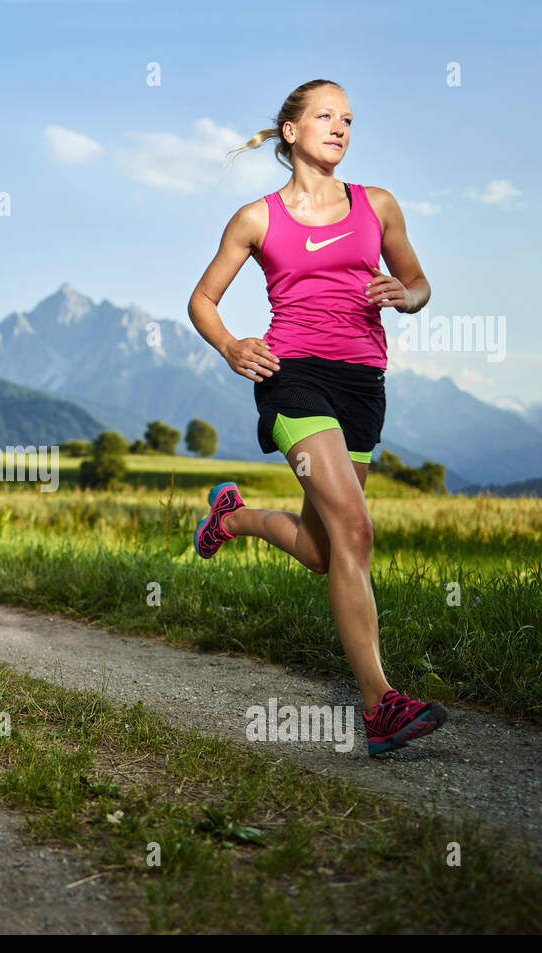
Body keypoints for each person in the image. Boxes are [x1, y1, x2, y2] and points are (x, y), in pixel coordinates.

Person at [186, 78, 448, 757]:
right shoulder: (257, 218)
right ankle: (381, 706)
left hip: (362, 383)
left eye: (350, 119)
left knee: (325, 548)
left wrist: (405, 294)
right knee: (356, 527)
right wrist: (231, 345)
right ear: (291, 131)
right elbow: (203, 299)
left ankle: (233, 518)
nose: (341, 127)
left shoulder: (378, 205)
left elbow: (419, 284)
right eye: (326, 116)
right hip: (292, 378)